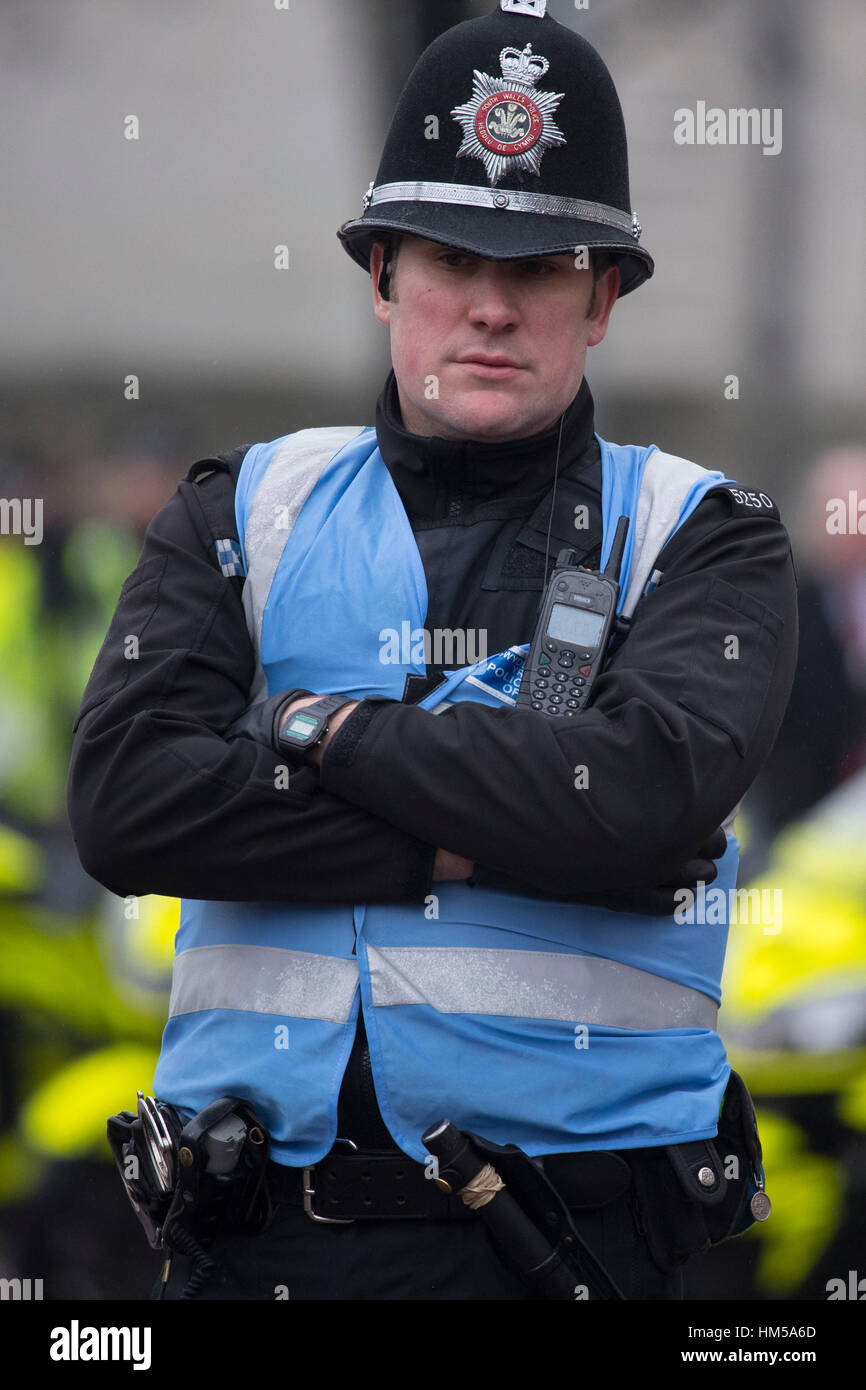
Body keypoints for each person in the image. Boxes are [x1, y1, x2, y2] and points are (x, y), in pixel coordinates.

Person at [67, 0, 798, 1300]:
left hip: (581, 1247)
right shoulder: (237, 508)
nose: (490, 310)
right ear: (382, 275)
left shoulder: (702, 533)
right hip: (250, 1243)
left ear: (604, 298)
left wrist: (318, 729)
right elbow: (129, 810)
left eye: (538, 270)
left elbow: (637, 803)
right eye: (452, 260)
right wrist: (479, 831)